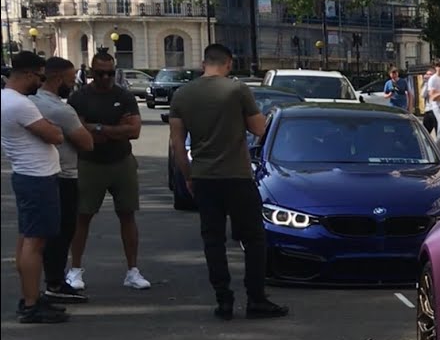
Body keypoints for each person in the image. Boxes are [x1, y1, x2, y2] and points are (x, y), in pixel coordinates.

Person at [169, 43, 288, 320]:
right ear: (229, 63)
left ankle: (223, 300)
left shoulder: (182, 95)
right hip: (236, 174)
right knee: (254, 238)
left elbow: (177, 143)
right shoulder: (237, 90)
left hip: (203, 176)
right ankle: (256, 298)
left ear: (203, 64)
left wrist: (187, 176)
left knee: (213, 239)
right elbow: (258, 129)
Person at [65, 50, 149, 291]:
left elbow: (134, 130)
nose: (105, 78)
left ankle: (132, 270)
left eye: (110, 73)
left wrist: (98, 128)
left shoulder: (124, 96)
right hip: (89, 163)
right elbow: (79, 132)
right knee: (82, 216)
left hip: (121, 161)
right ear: (92, 73)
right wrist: (113, 129)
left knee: (127, 214)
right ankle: (75, 270)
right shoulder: (79, 97)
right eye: (100, 73)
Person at [1, 51, 70, 323]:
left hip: (26, 175)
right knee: (35, 242)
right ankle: (31, 304)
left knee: (27, 238)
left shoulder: (6, 99)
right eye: (40, 77)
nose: (41, 83)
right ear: (28, 75)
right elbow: (55, 135)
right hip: (37, 177)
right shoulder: (21, 105)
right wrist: (53, 127)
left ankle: (30, 295)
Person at [30, 56, 94, 304]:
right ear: (58, 80)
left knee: (41, 233)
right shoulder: (61, 109)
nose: (74, 84)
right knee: (63, 231)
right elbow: (87, 143)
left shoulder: (30, 103)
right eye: (70, 79)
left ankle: (48, 284)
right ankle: (55, 283)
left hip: (39, 173)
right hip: (64, 174)